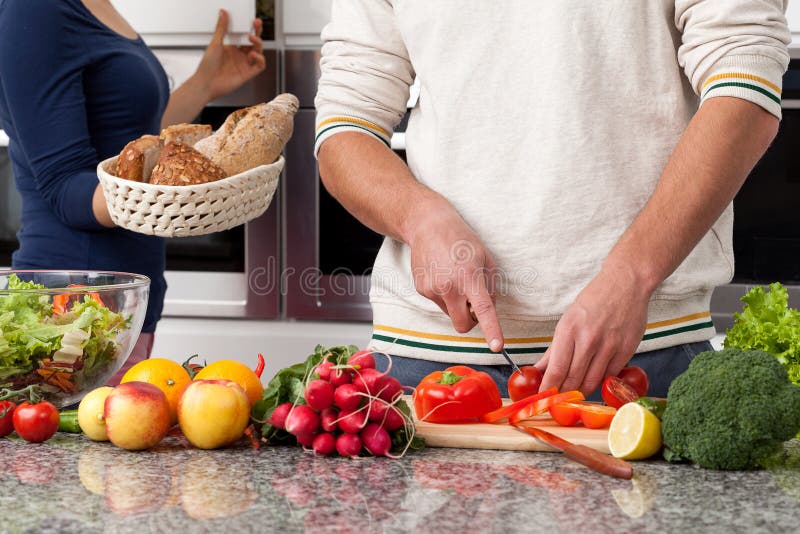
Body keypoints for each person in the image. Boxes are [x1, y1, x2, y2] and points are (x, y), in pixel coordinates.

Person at [314, 1, 791, 398]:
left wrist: (630, 277)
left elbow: (744, 85)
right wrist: (419, 217)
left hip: (638, 359)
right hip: (425, 366)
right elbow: (344, 127)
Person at [0, 0, 266, 382]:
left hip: (125, 300)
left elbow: (128, 146)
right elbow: (67, 190)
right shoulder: (35, 9)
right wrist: (180, 195)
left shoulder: (95, 5)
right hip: (73, 313)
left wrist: (204, 83)